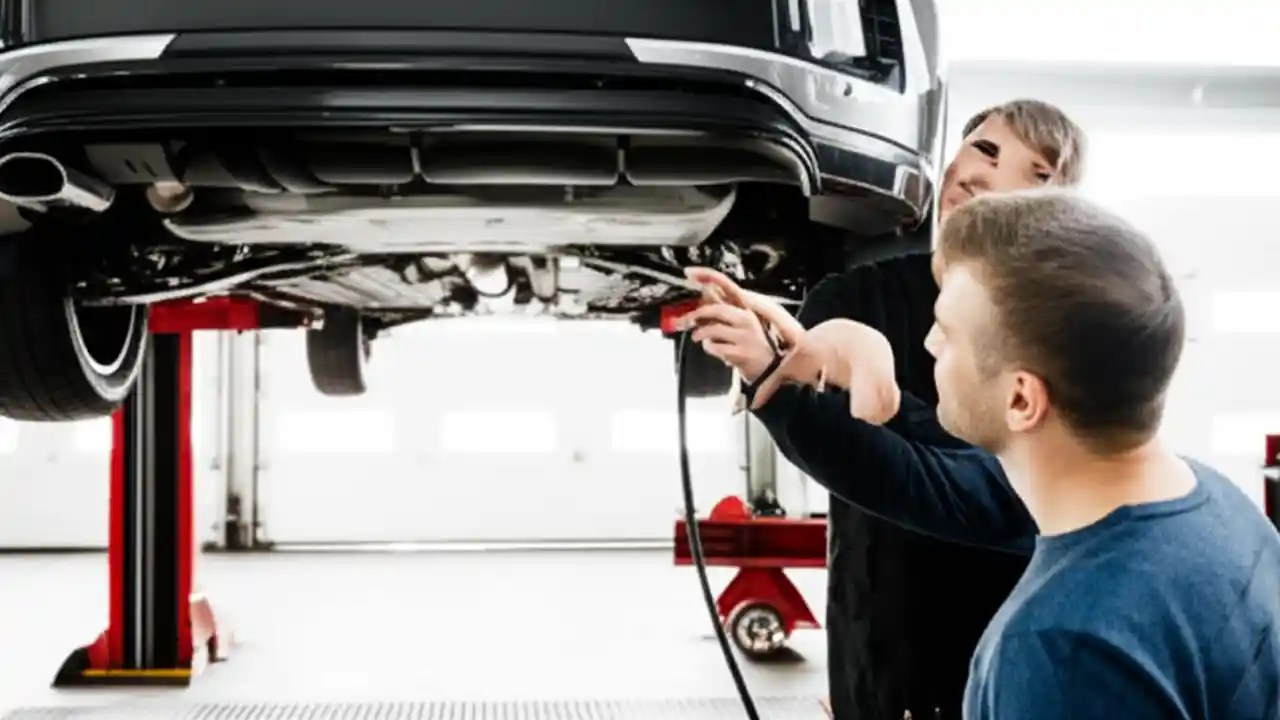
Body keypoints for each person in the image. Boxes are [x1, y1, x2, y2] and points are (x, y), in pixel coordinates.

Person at [703, 189, 1280, 718]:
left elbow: (934, 482)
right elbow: (959, 466)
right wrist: (809, 374)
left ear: (1022, 398)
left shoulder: (1058, 650)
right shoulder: (1222, 510)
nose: (927, 342)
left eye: (948, 333)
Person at [681, 98, 1088, 719]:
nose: (979, 175)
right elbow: (827, 429)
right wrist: (774, 369)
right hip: (877, 628)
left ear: (1052, 210)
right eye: (981, 148)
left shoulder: (1053, 328)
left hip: (996, 640)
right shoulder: (854, 295)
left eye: (1031, 172)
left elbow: (994, 487)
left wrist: (870, 389)